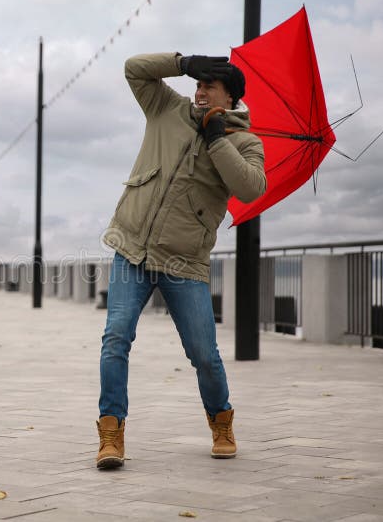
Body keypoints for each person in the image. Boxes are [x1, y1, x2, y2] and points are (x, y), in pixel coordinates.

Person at [96, 53, 267, 468]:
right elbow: (133, 68)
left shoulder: (247, 143)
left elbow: (250, 188)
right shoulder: (166, 108)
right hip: (133, 246)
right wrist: (181, 61)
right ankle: (111, 435)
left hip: (184, 262)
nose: (200, 91)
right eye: (198, 83)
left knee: (203, 354)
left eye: (210, 86)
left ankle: (221, 422)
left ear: (232, 95)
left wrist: (217, 138)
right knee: (116, 338)